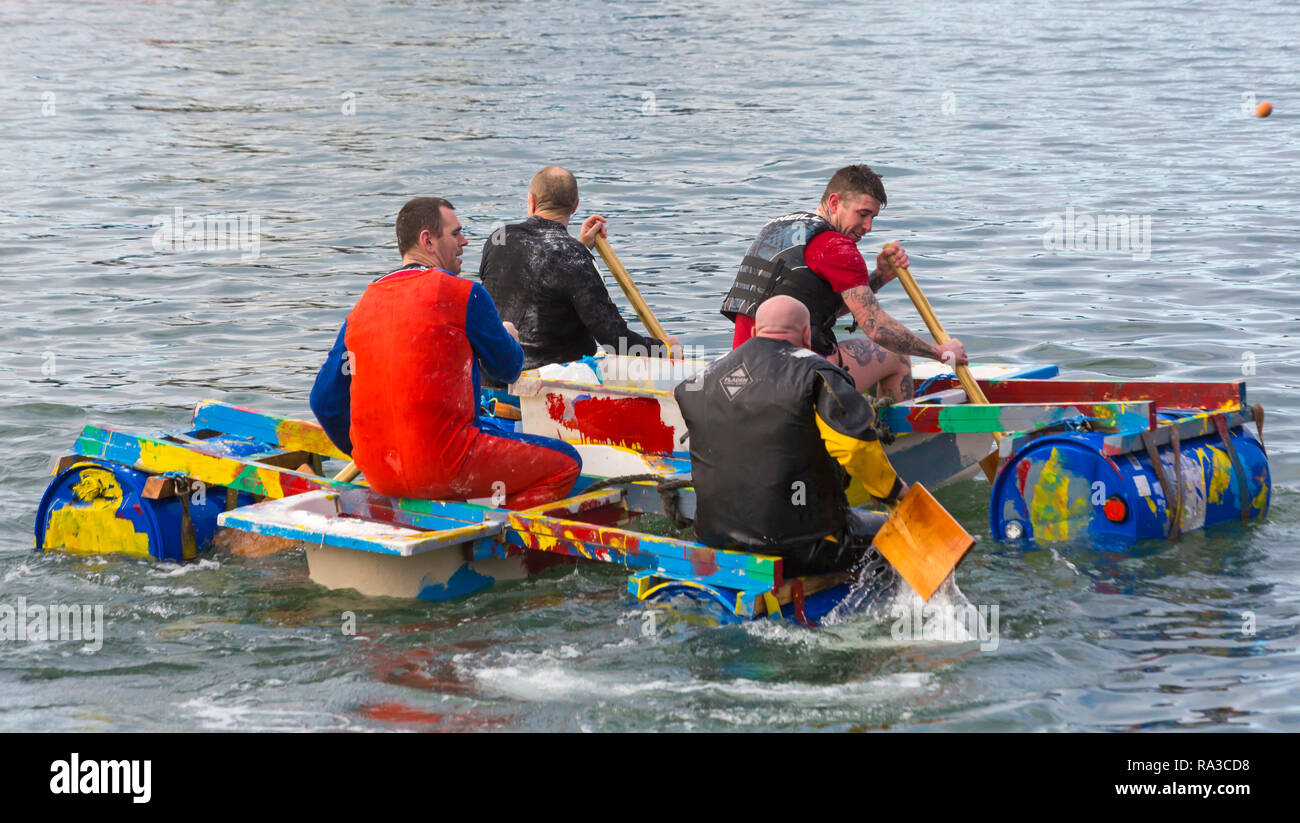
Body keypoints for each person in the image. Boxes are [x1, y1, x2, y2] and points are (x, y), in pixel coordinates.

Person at [309, 197, 581, 509]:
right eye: (455, 234)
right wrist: (508, 337)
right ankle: (494, 534)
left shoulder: (363, 305)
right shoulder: (465, 294)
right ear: (428, 241)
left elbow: (324, 401)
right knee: (567, 463)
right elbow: (508, 369)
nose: (464, 241)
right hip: (446, 467)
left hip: (379, 472)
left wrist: (369, 454)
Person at [675, 296, 907, 577]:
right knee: (905, 533)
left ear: (753, 332)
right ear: (807, 335)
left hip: (713, 535)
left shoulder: (699, 382)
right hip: (803, 544)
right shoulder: (818, 375)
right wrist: (893, 492)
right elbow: (856, 448)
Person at [721, 164, 968, 402]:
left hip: (743, 368)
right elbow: (877, 329)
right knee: (897, 358)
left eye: (873, 217)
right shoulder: (837, 248)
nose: (868, 227)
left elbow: (818, 310)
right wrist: (942, 353)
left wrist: (879, 277)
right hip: (796, 378)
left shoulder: (775, 229)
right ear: (835, 203)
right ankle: (885, 440)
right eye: (863, 214)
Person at [480, 166, 681, 370]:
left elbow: (537, 274)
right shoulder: (573, 257)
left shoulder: (498, 240)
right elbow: (613, 338)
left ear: (531, 201)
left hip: (495, 373)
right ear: (575, 206)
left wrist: (581, 247)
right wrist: (663, 348)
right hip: (550, 380)